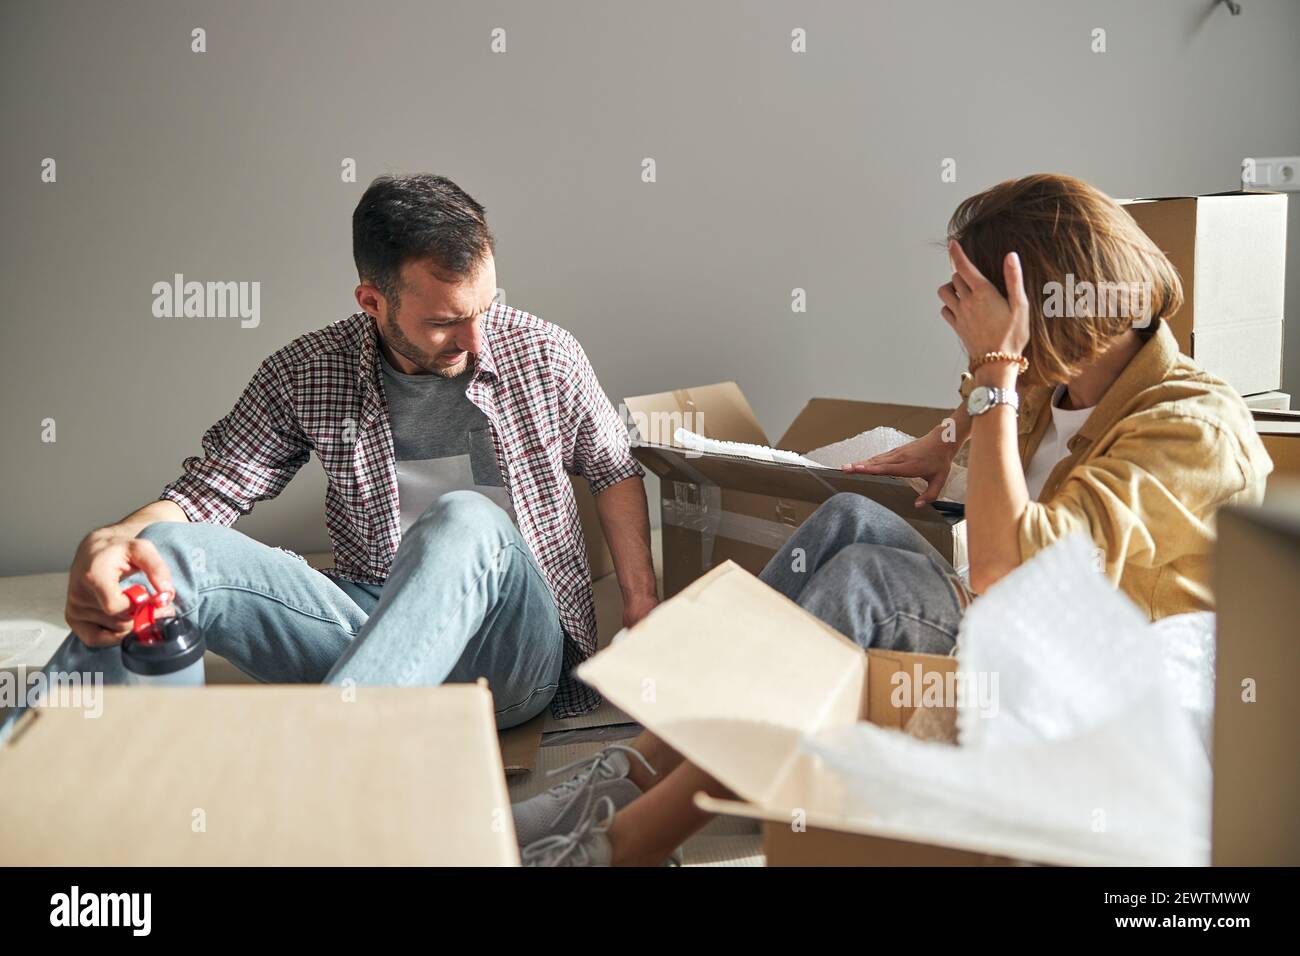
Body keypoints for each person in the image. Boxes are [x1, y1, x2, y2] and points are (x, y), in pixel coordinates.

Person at [514, 173, 1274, 865]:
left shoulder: (1193, 427)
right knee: (847, 520)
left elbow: (1011, 572)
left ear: (1042, 305)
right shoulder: (1067, 383)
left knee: (873, 581)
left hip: (1101, 693)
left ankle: (630, 842)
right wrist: (943, 440)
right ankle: (628, 772)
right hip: (1014, 634)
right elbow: (993, 433)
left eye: (974, 297)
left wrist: (998, 377)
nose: (956, 310)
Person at [17, 173, 657, 733]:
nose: (477, 338)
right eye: (444, 322)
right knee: (166, 553)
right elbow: (200, 499)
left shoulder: (545, 352)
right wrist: (112, 541)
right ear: (373, 302)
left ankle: (331, 761)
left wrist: (640, 604)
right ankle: (29, 779)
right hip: (365, 635)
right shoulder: (306, 371)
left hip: (509, 659)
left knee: (464, 518)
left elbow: (612, 469)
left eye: (485, 309)